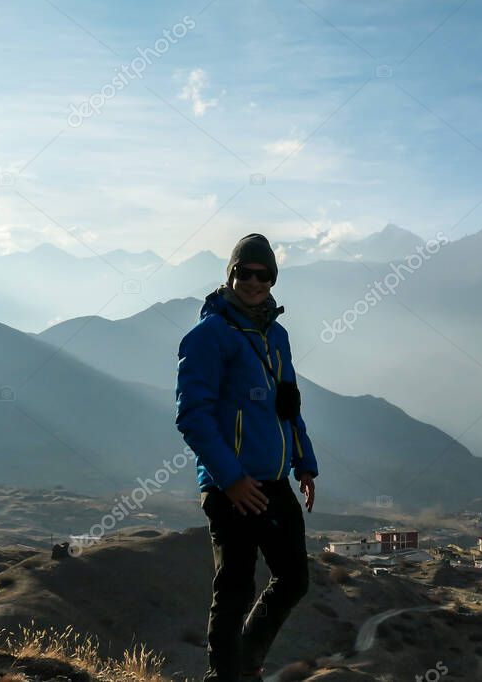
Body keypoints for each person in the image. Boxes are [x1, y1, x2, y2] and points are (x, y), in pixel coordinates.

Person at [175, 233, 319, 682]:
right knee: (235, 591)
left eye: (264, 274)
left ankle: (245, 665)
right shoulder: (207, 336)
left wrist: (304, 463)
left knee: (293, 579)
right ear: (231, 274)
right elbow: (192, 416)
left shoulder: (277, 336)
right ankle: (224, 676)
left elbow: (288, 406)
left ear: (273, 279)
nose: (254, 282)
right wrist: (230, 478)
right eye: (245, 273)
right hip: (229, 486)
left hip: (273, 482)